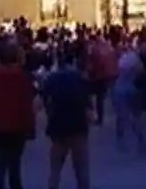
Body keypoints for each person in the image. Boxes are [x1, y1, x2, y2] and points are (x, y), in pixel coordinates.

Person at [0, 40, 35, 189]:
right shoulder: (22, 76)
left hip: (0, 124)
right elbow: (26, 102)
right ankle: (15, 185)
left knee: (2, 158)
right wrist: (30, 125)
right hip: (18, 124)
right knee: (15, 161)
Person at [43, 47, 92, 189]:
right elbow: (88, 106)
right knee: (81, 169)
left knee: (55, 170)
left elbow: (43, 101)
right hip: (78, 127)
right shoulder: (80, 79)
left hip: (58, 127)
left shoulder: (51, 79)